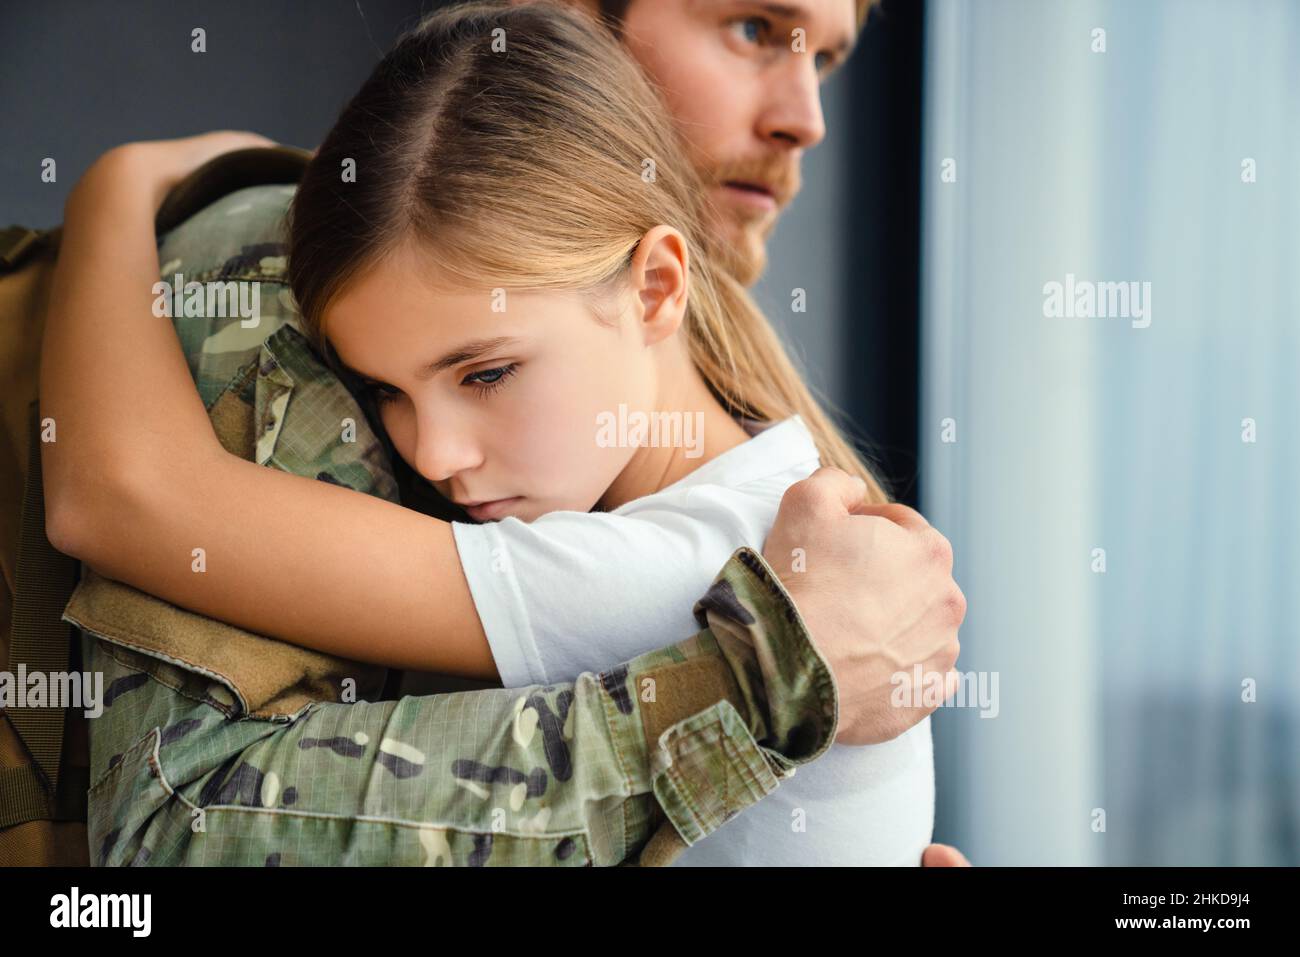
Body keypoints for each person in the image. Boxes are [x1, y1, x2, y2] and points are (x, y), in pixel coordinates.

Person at [42, 3, 968, 865]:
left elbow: (118, 497)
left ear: (655, 288)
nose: (433, 454)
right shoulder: (758, 492)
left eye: (486, 374)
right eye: (380, 391)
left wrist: (116, 189)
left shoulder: (680, 571)